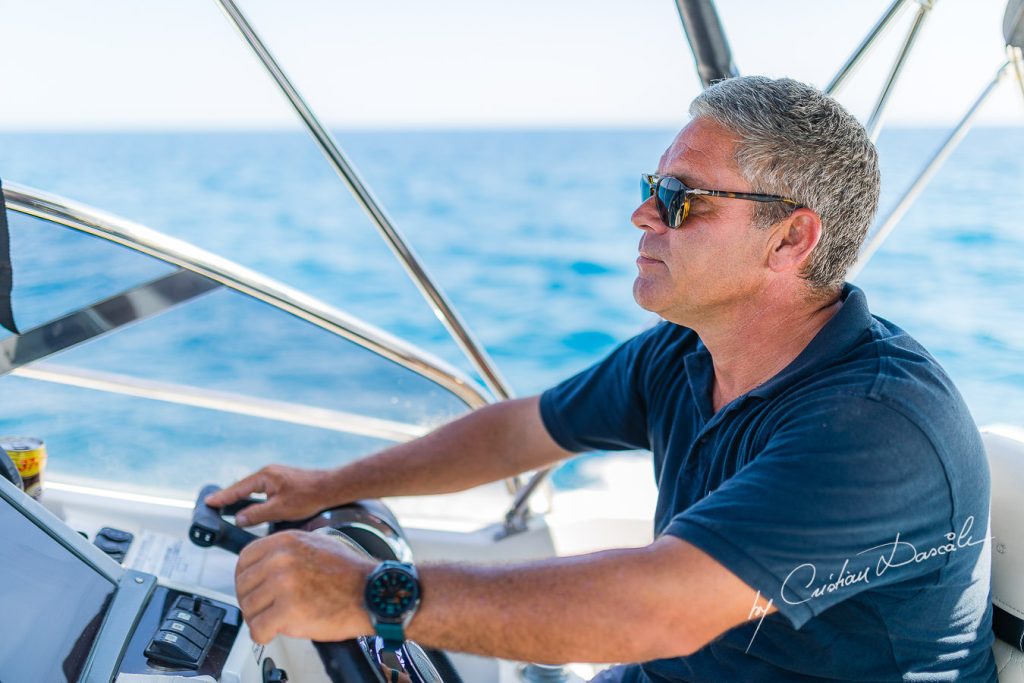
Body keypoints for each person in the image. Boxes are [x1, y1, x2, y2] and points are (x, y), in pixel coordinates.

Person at [206, 76, 996, 681]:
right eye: (650, 190)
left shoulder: (878, 424)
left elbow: (659, 609)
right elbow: (521, 430)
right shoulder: (684, 353)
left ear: (791, 239)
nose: (644, 217)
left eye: (681, 198)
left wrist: (376, 594)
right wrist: (324, 484)